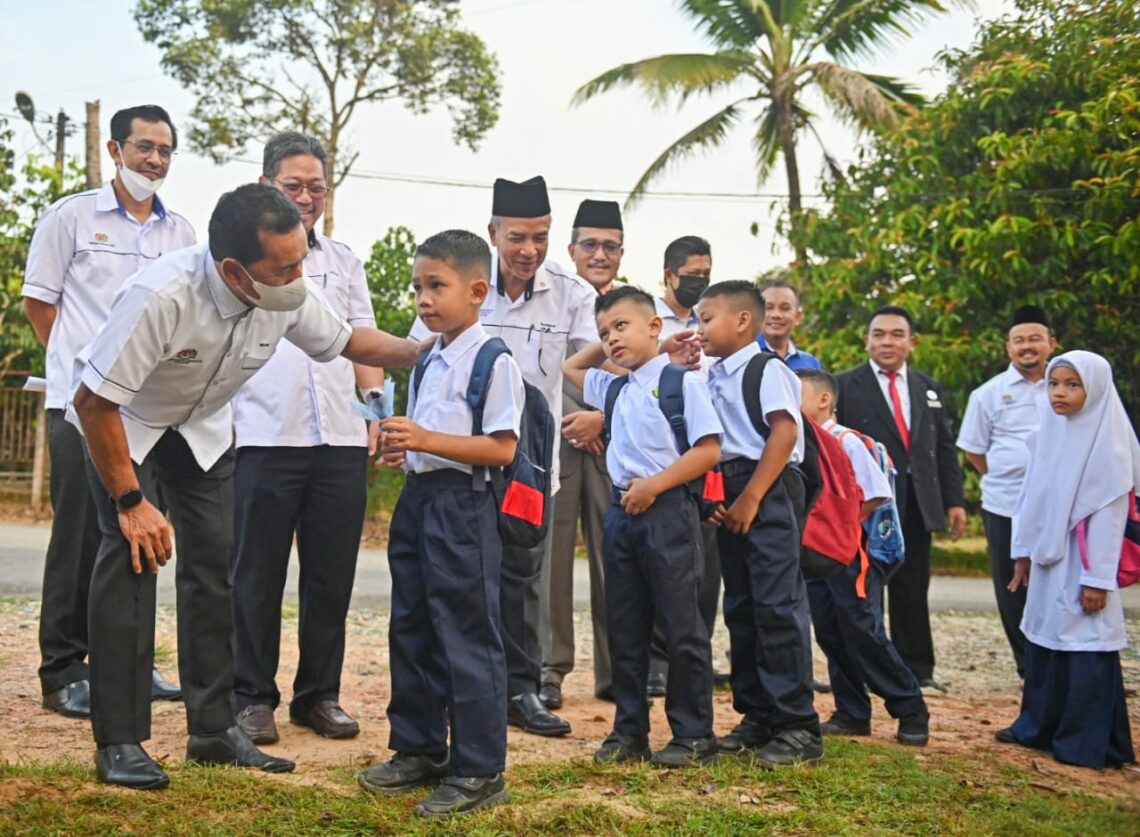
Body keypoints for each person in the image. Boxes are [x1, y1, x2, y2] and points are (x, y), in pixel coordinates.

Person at [70, 184, 423, 790]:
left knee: (214, 571)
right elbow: (93, 403)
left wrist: (437, 348)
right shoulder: (161, 295)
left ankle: (212, 730)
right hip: (127, 428)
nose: (299, 276)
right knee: (131, 566)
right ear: (235, 271)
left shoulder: (284, 292)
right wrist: (131, 502)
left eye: (301, 259)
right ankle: (121, 741)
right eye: (284, 267)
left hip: (203, 432)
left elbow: (348, 343)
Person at [408, 176, 597, 737]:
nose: (529, 250)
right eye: (517, 237)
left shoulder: (572, 291)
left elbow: (599, 362)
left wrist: (605, 408)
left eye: (540, 237)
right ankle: (457, 691)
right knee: (461, 585)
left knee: (522, 578)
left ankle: (522, 689)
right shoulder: (456, 279)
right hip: (461, 459)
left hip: (529, 462)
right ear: (493, 234)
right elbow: (422, 352)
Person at [21, 104, 190, 719]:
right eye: (144, 147)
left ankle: (127, 662)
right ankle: (62, 668)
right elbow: (42, 307)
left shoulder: (182, 233)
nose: (155, 160)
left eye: (165, 150)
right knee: (77, 535)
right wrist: (82, 367)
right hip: (81, 408)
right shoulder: (71, 217)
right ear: (115, 150)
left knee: (139, 539)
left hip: (150, 415)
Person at [357, 230, 521, 815]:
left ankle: (480, 769)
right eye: (418, 288)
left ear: (477, 291)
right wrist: (410, 449)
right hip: (419, 499)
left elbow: (501, 448)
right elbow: (430, 439)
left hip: (465, 507)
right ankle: (420, 747)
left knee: (468, 633)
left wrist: (429, 440)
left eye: (436, 287)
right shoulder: (427, 358)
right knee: (414, 624)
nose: (423, 300)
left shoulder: (492, 359)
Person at [230, 133, 383, 745]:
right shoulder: (238, 260)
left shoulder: (343, 260)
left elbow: (364, 335)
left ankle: (319, 695)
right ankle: (251, 697)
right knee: (256, 575)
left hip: (340, 440)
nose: (306, 197)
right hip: (265, 435)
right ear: (268, 184)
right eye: (294, 185)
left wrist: (374, 407)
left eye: (316, 187)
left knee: (330, 577)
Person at [563, 285, 722, 766]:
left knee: (681, 628)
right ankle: (628, 732)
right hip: (621, 516)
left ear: (656, 326)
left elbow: (708, 450)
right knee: (625, 627)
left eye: (622, 326)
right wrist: (604, 336)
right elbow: (573, 368)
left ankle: (694, 735)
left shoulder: (681, 383)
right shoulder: (615, 387)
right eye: (604, 332)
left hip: (668, 512)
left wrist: (654, 486)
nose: (611, 339)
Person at [696, 281, 823, 767]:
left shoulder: (764, 367)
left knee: (777, 605)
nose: (699, 328)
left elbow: (784, 432)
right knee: (743, 607)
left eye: (707, 319)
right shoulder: (711, 374)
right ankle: (758, 714)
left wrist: (751, 497)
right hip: (729, 491)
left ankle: (797, 725)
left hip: (764, 490)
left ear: (742, 321)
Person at [998, 351, 1136, 769]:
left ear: (1093, 389)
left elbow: (1109, 520)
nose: (1060, 393)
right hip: (1045, 560)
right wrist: (1021, 554)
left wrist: (1098, 578)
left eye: (1072, 385)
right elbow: (1029, 500)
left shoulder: (1108, 449)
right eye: (1055, 384)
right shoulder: (1049, 434)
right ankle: (1037, 725)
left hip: (1084, 565)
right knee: (1043, 639)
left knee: (1084, 645)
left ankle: (1083, 742)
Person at [836, 306, 967, 691]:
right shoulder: (844, 385)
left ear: (911, 341)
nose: (887, 341)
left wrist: (954, 500)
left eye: (896, 334)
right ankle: (865, 672)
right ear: (867, 340)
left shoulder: (928, 387)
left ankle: (917, 669)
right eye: (879, 334)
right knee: (862, 589)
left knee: (913, 587)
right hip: (868, 505)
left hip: (917, 503)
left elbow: (942, 447)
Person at [798, 369, 930, 746]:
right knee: (829, 629)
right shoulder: (802, 442)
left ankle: (910, 707)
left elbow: (875, 494)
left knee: (863, 629)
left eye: (797, 392)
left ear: (824, 399)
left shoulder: (846, 441)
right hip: (817, 555)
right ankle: (852, 710)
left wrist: (839, 526)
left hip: (852, 555)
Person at [539, 199, 623, 709]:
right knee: (552, 560)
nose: (599, 254)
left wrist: (604, 419)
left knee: (615, 559)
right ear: (571, 249)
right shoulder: (551, 299)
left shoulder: (636, 307)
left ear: (621, 253)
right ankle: (550, 668)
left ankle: (619, 671)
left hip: (616, 449)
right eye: (589, 245)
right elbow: (545, 368)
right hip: (560, 442)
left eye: (609, 246)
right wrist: (578, 420)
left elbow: (642, 374)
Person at [957, 306, 1056, 680]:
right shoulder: (988, 394)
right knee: (1014, 587)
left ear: (1051, 343)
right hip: (1006, 505)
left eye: (1035, 339)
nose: (1027, 347)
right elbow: (973, 450)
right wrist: (1006, 475)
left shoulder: (1068, 384)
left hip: (1060, 507)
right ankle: (1028, 669)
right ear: (1008, 347)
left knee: (1058, 584)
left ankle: (1067, 666)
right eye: (1019, 341)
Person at [650, 235, 722, 696]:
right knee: (662, 565)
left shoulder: (711, 321)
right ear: (669, 275)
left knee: (705, 567)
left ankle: (697, 657)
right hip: (662, 455)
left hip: (706, 452)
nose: (699, 283)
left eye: (706, 275)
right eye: (692, 275)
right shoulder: (648, 322)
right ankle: (657, 663)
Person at [757, 280, 820, 370]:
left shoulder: (810, 363)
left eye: (785, 308)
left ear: (798, 317)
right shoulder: (744, 356)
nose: (776, 315)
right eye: (768, 308)